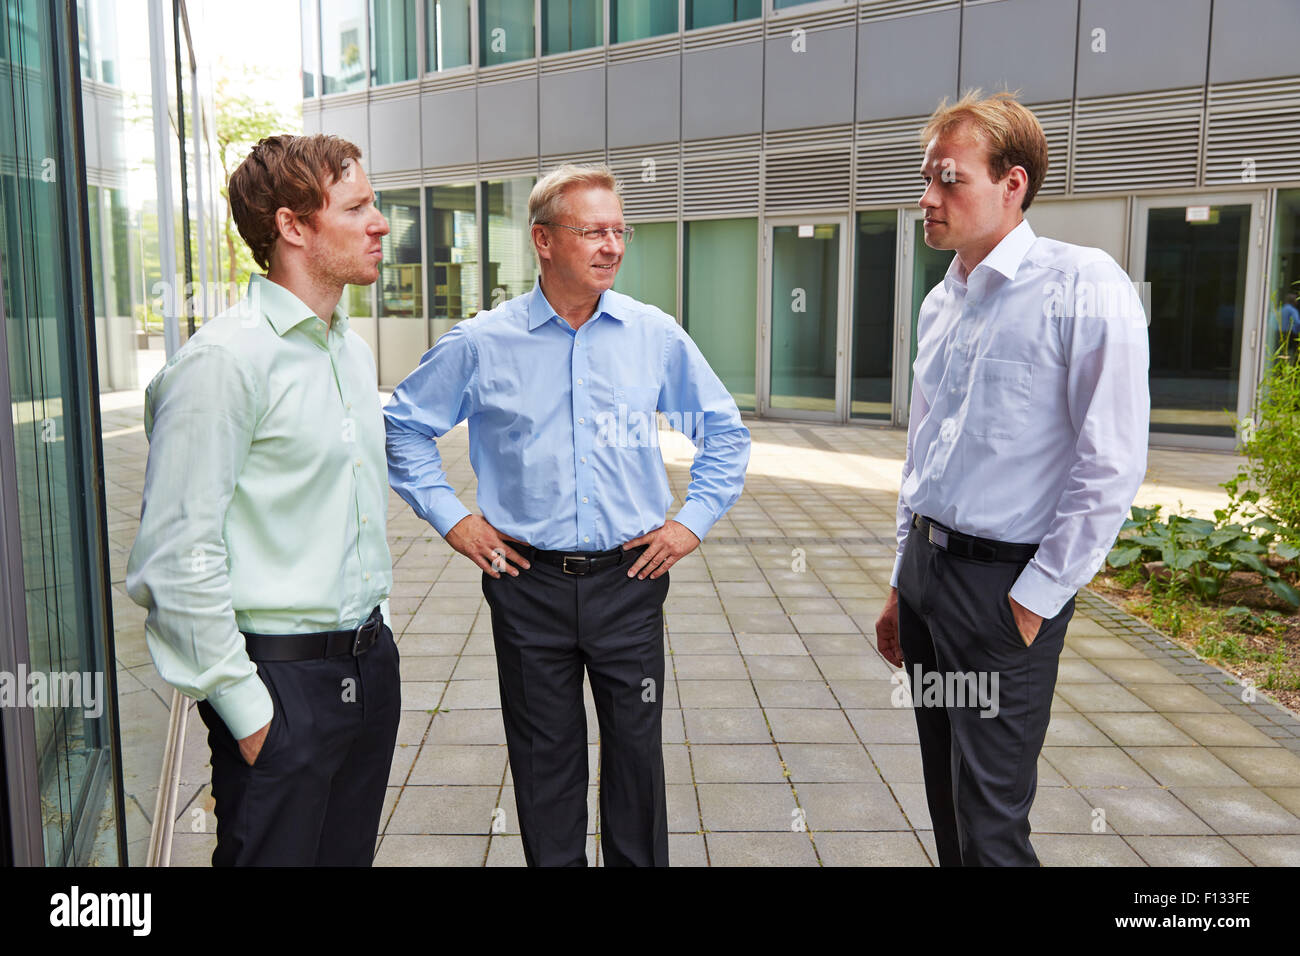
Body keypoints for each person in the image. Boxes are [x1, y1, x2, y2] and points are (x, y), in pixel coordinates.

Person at [385, 164, 750, 867]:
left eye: (620, 231)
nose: (612, 246)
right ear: (544, 240)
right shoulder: (483, 343)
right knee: (544, 765)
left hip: (630, 583)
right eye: (594, 231)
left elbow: (725, 433)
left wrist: (689, 522)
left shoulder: (653, 335)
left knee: (637, 762)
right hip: (527, 586)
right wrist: (455, 520)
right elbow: (403, 426)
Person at [873, 92, 1150, 866]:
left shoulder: (1082, 284)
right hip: (929, 582)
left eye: (949, 179)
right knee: (948, 801)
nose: (927, 198)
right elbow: (924, 455)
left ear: (1013, 184)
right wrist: (903, 581)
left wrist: (1031, 603)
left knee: (992, 824)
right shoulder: (941, 302)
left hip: (1004, 593)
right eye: (926, 178)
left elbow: (1113, 461)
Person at [126, 134, 400, 866]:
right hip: (280, 686)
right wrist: (250, 715)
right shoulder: (223, 363)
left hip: (367, 667)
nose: (380, 223)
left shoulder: (348, 346)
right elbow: (178, 560)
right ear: (292, 226)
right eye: (358, 206)